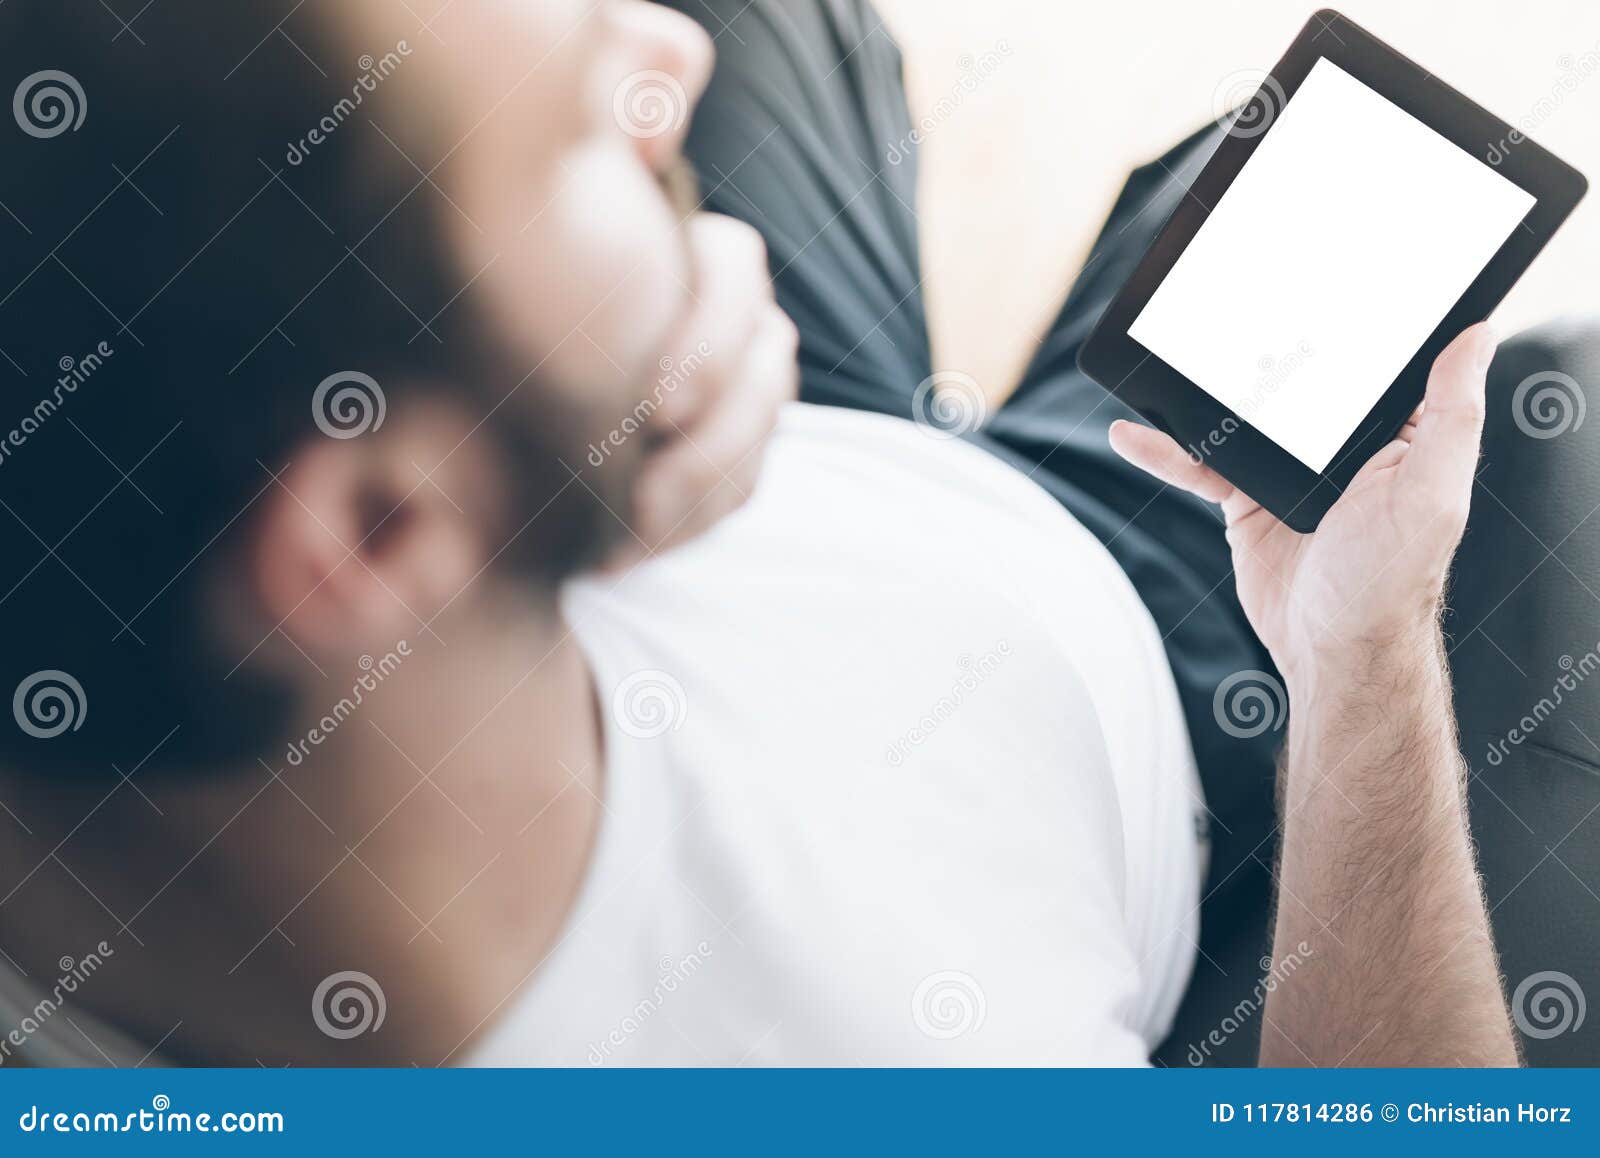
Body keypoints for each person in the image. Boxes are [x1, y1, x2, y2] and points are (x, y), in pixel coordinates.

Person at [0, 0, 1594, 1066]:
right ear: (374, 535)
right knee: (1535, 381)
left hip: (818, 479)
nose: (655, 57)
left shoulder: (231, 578)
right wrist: (1360, 644)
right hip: (1180, 681)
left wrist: (616, 419)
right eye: (578, 134)